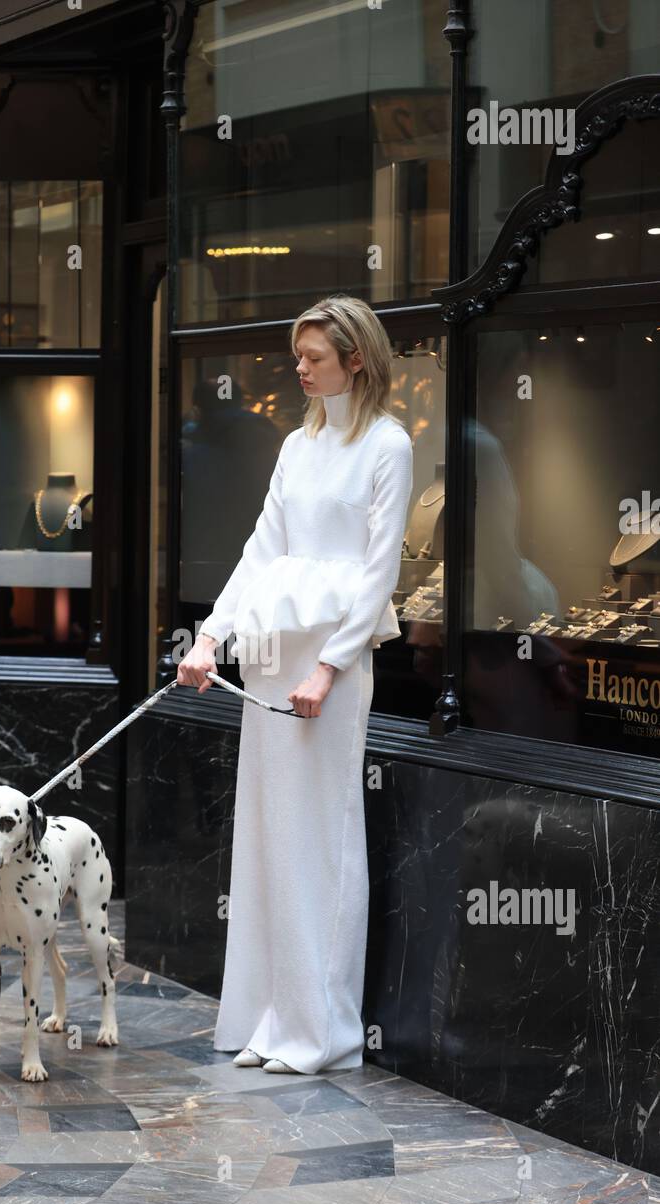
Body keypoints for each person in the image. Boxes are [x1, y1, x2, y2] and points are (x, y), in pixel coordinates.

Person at [177, 295, 414, 1074]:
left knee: (321, 835)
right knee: (269, 835)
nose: (299, 367)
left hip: (329, 669)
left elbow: (380, 569)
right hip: (273, 655)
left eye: (313, 356)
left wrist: (329, 666)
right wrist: (211, 637)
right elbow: (260, 550)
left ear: (355, 357)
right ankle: (267, 1020)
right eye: (297, 355)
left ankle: (322, 1031)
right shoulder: (295, 445)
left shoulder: (387, 444)